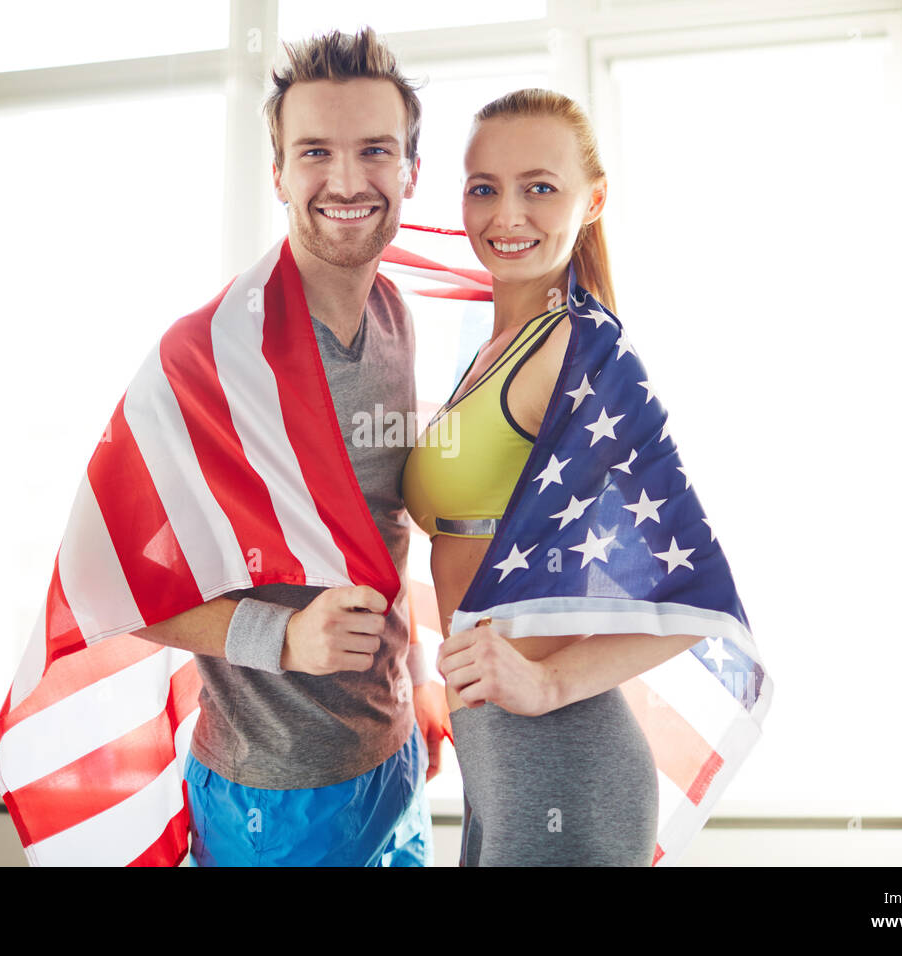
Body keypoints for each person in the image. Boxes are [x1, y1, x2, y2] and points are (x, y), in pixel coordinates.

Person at [130, 27, 450, 867]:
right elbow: (118, 590)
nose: (347, 180)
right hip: (272, 799)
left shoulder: (397, 320)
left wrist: (419, 681)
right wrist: (283, 641)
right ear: (277, 174)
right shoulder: (206, 355)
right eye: (315, 152)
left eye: (375, 149)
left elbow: (381, 530)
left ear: (411, 170)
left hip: (394, 764)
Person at [402, 89, 708, 866]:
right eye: (484, 188)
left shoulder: (582, 347)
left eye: (539, 187)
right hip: (495, 746)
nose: (507, 215)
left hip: (563, 757)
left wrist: (541, 687)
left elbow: (691, 593)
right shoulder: (496, 347)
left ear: (592, 199)